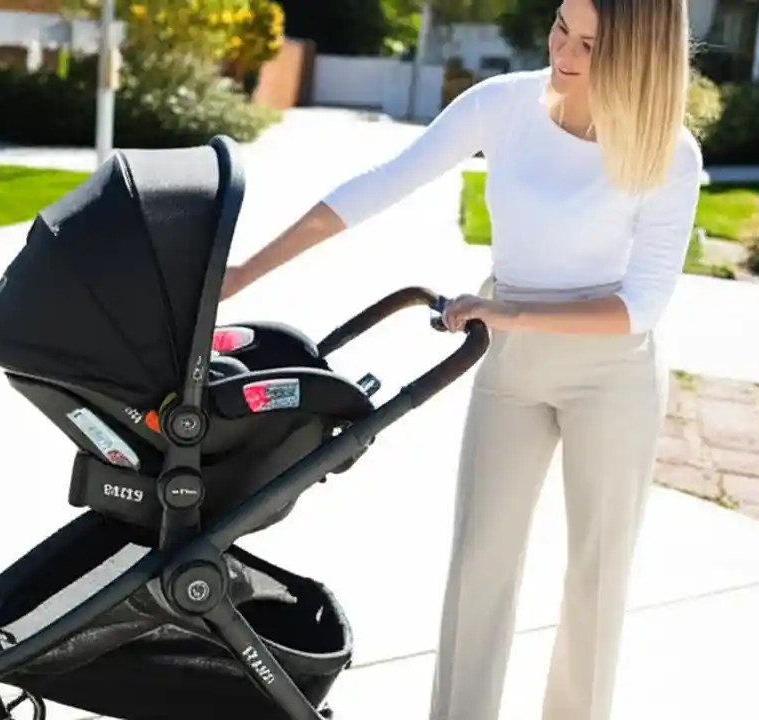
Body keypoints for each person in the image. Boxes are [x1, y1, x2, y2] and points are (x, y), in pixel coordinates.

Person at [220, 0, 701, 717]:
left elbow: (642, 305)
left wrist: (506, 312)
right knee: (481, 566)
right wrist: (236, 277)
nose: (564, 53)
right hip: (510, 367)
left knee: (596, 581)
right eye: (561, 30)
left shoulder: (670, 154)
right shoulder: (502, 105)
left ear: (641, 53)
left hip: (613, 374)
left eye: (592, 46)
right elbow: (375, 188)